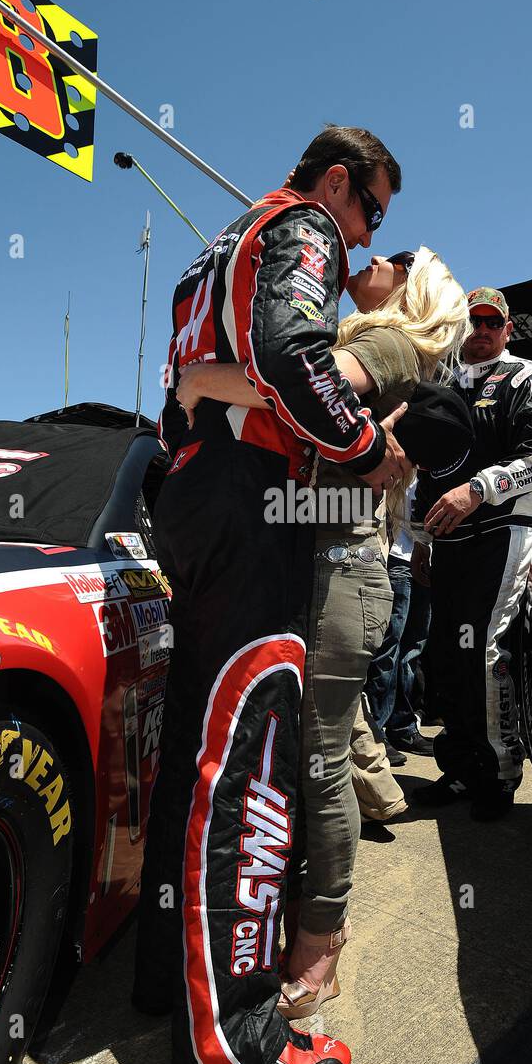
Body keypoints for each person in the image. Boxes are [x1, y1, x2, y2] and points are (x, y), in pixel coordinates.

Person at [133, 125, 408, 1064]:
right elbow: (294, 355)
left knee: (195, 749)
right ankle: (235, 1039)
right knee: (249, 754)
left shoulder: (219, 245)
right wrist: (368, 448)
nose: (369, 235)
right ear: (338, 181)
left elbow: (189, 388)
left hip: (195, 489)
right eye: (370, 208)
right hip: (254, 495)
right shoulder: (303, 228)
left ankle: (167, 979)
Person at [176, 245, 469, 1017]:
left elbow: (311, 395)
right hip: (323, 566)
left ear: (413, 285)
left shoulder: (390, 343)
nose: (369, 254)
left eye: (393, 255)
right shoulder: (362, 336)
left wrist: (204, 380)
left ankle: (321, 941)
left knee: (319, 762)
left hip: (340, 574)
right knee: (301, 757)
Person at [411, 286, 532, 820]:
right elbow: (430, 469)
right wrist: (423, 542)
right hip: (449, 539)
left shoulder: (530, 378)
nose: (479, 329)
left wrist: (479, 490)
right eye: (471, 321)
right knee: (447, 656)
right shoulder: (445, 382)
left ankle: (499, 772)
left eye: (489, 321)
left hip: (504, 530)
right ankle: (459, 768)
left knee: (488, 654)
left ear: (507, 328)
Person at [365, 475, 435, 757]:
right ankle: (378, 730)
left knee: (413, 647)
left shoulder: (430, 464)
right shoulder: (400, 454)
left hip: (423, 554)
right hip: (396, 555)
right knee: (389, 647)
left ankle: (403, 726)